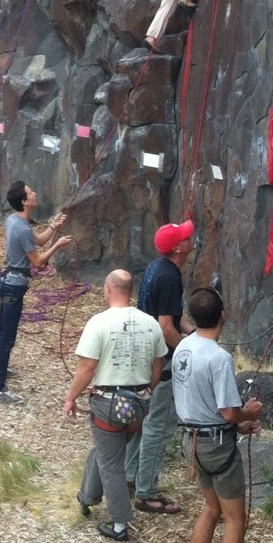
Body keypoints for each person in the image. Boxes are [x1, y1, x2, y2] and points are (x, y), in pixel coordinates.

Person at [64, 270, 167, 543]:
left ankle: (120, 525)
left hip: (108, 404)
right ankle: (87, 497)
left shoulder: (99, 323)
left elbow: (87, 366)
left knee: (111, 463)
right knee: (107, 451)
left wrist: (71, 397)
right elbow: (159, 363)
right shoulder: (151, 323)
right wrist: (149, 389)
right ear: (130, 290)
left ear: (109, 288)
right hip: (138, 403)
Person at [172, 287, 263, 543]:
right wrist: (249, 413)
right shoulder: (219, 358)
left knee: (212, 509)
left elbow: (205, 405)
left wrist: (240, 426)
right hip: (217, 448)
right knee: (235, 518)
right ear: (222, 315)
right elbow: (227, 412)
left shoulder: (183, 347)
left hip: (192, 443)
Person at [124, 219, 195, 515]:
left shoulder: (158, 267)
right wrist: (188, 351)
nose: (190, 239)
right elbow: (166, 327)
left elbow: (173, 316)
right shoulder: (170, 278)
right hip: (161, 362)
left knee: (142, 422)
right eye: (185, 237)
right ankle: (146, 493)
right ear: (178, 248)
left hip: (144, 354)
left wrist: (194, 334)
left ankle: (129, 477)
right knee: (159, 426)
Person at [0, 181, 73, 401]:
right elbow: (37, 261)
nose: (34, 193)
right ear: (25, 201)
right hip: (14, 286)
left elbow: (38, 239)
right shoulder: (22, 227)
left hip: (9, 282)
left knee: (2, 331)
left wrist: (54, 227)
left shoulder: (15, 220)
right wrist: (57, 246)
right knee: (7, 336)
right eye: (30, 192)